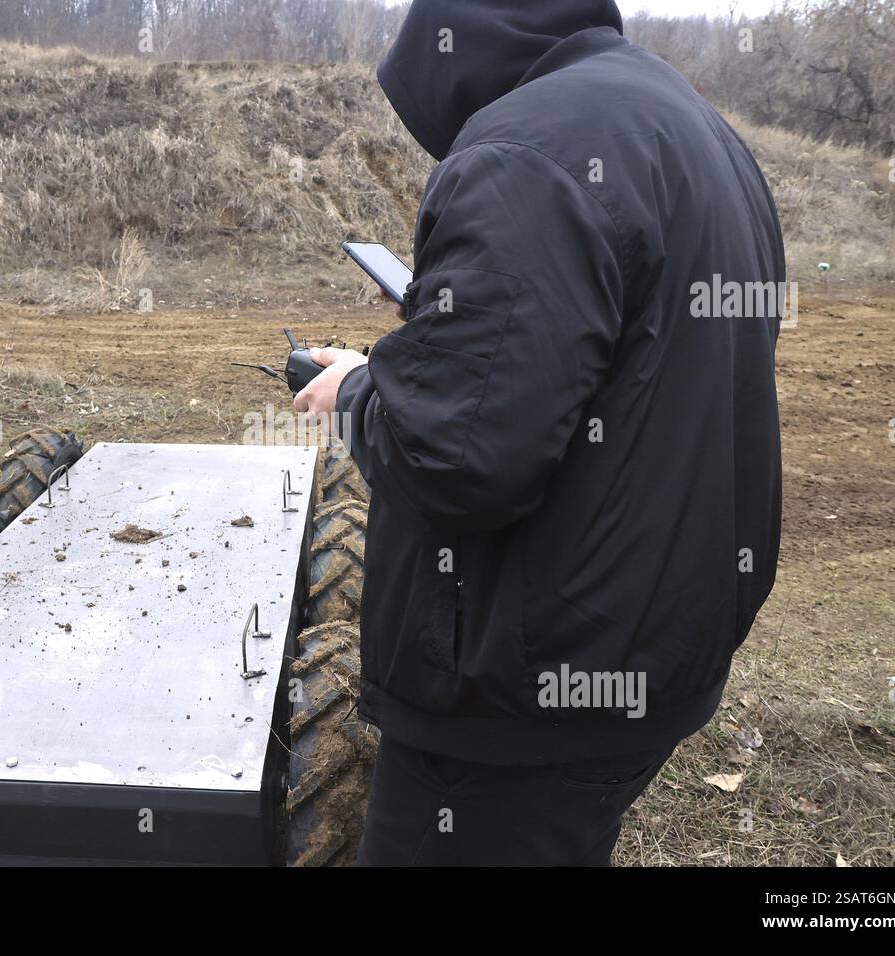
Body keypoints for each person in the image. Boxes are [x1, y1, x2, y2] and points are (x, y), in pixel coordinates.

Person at [292, 0, 784, 865]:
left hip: (520, 696)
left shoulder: (523, 150)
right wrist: (441, 313)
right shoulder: (687, 122)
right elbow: (626, 344)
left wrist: (359, 388)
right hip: (647, 652)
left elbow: (454, 457)